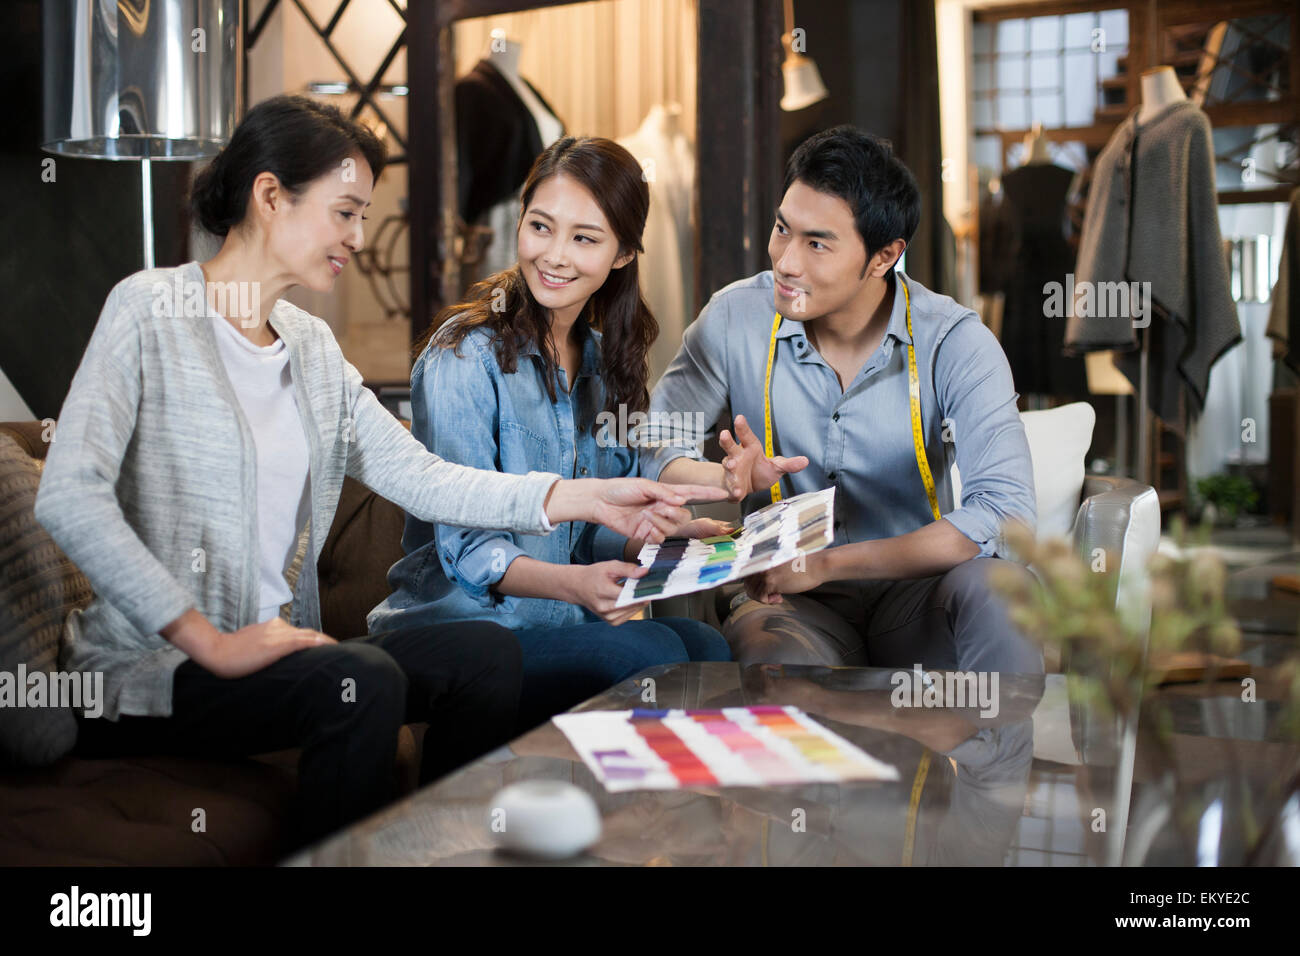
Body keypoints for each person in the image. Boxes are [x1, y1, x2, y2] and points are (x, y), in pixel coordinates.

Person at [34, 96, 722, 848]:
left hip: (282, 654)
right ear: (270, 196)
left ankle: (450, 854)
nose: (360, 237)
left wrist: (585, 496)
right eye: (346, 212)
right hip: (156, 668)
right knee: (358, 686)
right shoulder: (149, 309)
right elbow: (69, 495)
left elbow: (427, 478)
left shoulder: (311, 346)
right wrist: (211, 641)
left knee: (483, 658)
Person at [643, 125, 1043, 676]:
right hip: (789, 602)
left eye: (817, 243)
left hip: (916, 596)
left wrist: (826, 563)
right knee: (773, 664)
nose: (785, 261)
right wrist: (725, 481)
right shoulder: (735, 318)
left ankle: (997, 764)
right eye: (782, 228)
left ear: (884, 257)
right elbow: (652, 443)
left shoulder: (954, 340)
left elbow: (1005, 516)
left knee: (1003, 592)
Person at [368, 136, 731, 732]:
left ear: (620, 254)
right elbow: (468, 550)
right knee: (651, 656)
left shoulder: (600, 360)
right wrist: (578, 586)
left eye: (584, 238)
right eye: (541, 227)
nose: (555, 255)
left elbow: (587, 537)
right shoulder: (464, 354)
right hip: (463, 630)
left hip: (555, 620)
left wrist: (659, 539)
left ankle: (658, 821)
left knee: (708, 649)